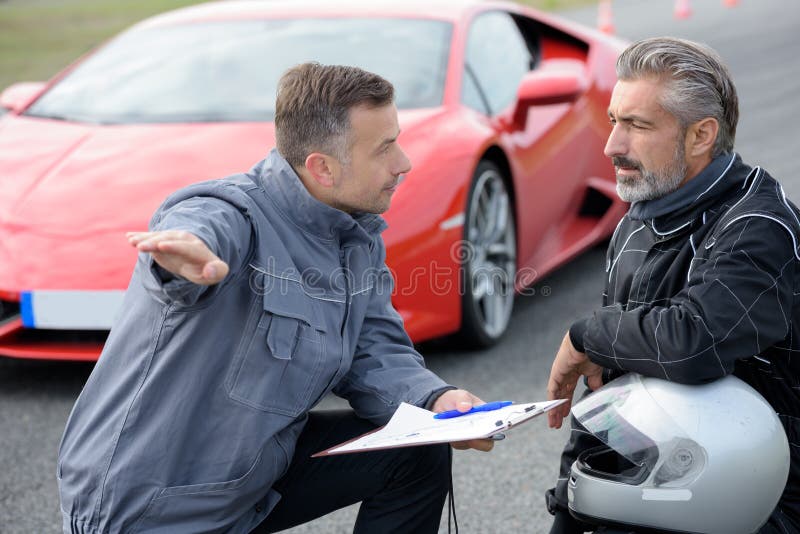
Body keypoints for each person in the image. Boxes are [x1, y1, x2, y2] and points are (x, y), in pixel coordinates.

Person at [57, 62, 493, 534]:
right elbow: (201, 228)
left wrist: (434, 399)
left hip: (252, 475)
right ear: (322, 168)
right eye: (384, 148)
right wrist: (183, 257)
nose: (403, 162)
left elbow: (373, 349)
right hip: (156, 505)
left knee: (417, 448)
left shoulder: (353, 235)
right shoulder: (232, 212)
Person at [544, 37, 800, 534]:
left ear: (701, 135)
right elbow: (610, 394)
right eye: (614, 120)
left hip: (759, 501)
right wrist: (570, 503)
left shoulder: (760, 226)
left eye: (637, 125)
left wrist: (586, 335)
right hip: (661, 482)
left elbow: (694, 341)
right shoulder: (636, 224)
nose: (612, 145)